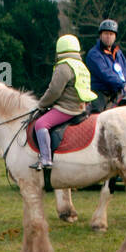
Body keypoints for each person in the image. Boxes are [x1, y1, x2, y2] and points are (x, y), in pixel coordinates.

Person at [30, 34, 98, 171]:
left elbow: (54, 91)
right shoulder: (80, 65)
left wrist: (41, 105)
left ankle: (46, 159)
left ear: (59, 50)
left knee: (40, 124)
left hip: (67, 108)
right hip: (82, 106)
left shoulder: (64, 67)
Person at [85, 19, 126, 111]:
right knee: (97, 117)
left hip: (117, 93)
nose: (108, 37)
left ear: (115, 37)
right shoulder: (94, 54)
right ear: (100, 35)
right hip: (100, 94)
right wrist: (123, 85)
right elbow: (105, 73)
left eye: (111, 34)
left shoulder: (119, 53)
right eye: (106, 34)